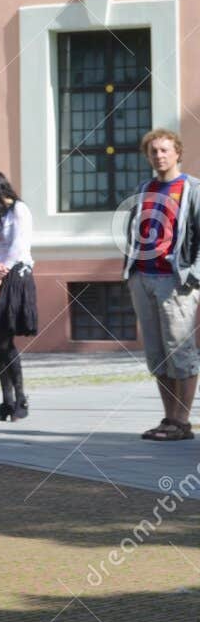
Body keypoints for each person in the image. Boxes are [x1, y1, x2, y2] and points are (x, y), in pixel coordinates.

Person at [123, 129, 200, 442]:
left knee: (181, 352)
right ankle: (169, 418)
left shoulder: (192, 189)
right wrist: (131, 270)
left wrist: (193, 273)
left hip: (175, 281)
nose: (159, 155)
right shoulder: (145, 189)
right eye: (153, 151)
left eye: (165, 150)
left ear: (177, 152)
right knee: (157, 355)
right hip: (142, 277)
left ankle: (182, 422)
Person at [0, 170, 36, 421]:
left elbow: (18, 246)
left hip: (15, 277)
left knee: (5, 341)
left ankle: (20, 399)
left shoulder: (19, 210)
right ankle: (7, 402)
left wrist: (0, 277)